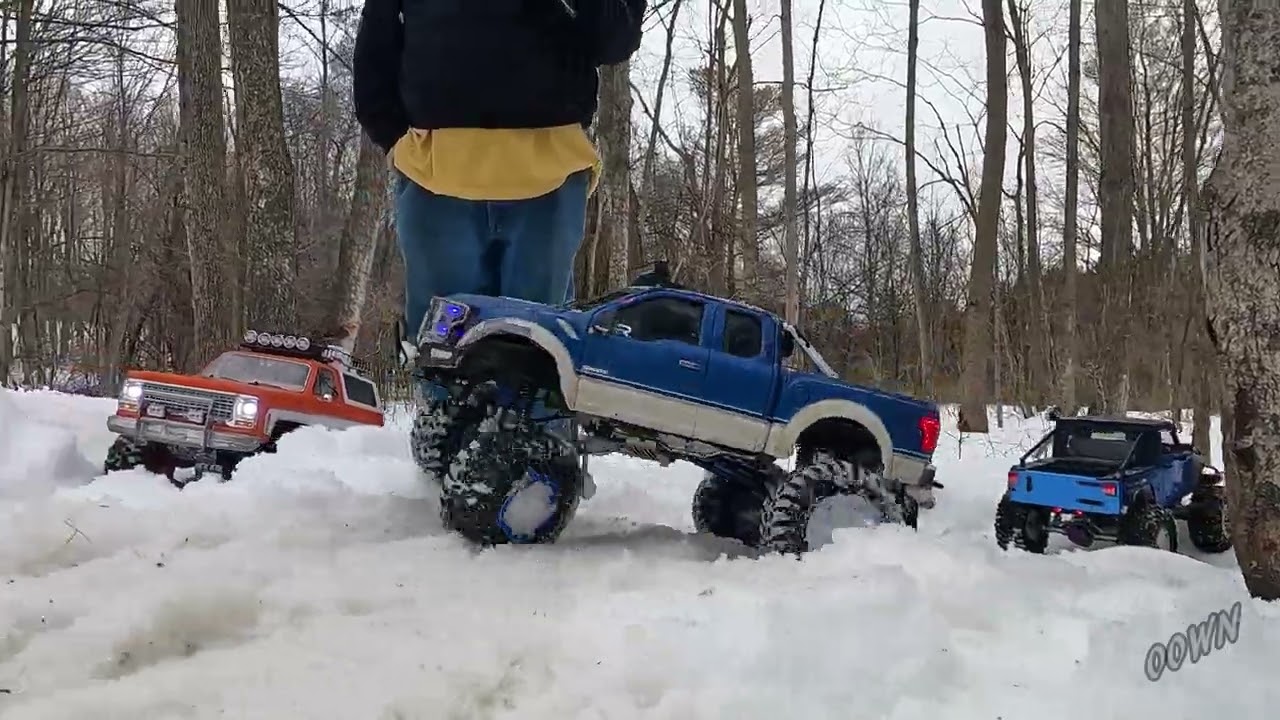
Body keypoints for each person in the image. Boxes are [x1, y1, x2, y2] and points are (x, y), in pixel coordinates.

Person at [353, 0, 646, 475]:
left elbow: (613, 39)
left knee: (538, 338)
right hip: (435, 172)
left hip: (549, 169)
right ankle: (446, 452)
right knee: (444, 332)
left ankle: (539, 464)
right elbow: (377, 43)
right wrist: (393, 136)